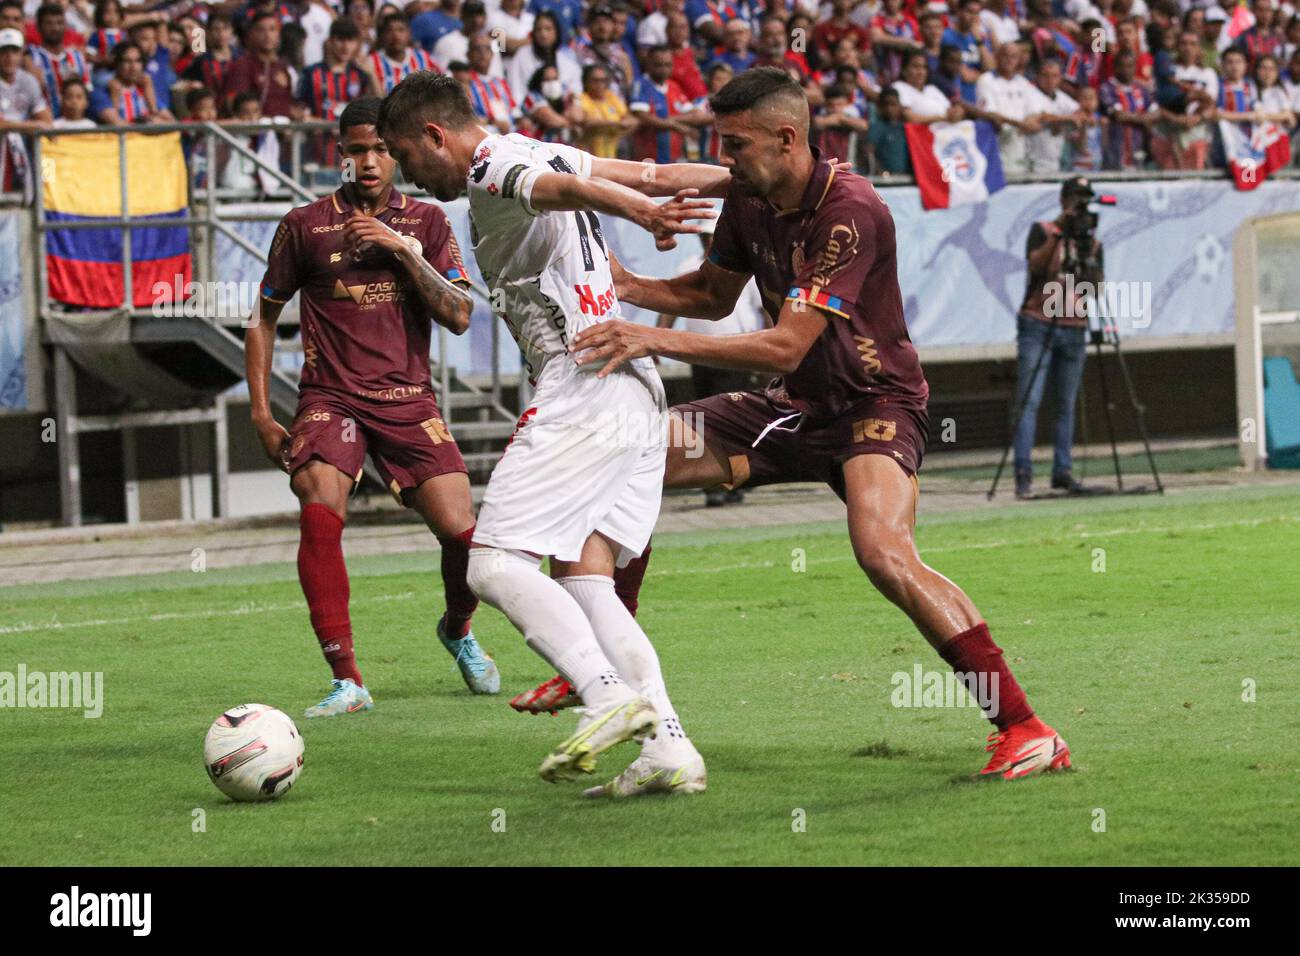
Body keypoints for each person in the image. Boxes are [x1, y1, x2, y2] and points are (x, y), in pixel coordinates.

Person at [520, 68, 1073, 783]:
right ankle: (595, 665)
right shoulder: (750, 194)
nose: (728, 159)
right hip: (788, 407)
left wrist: (649, 336)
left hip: (872, 406)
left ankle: (1025, 728)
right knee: (630, 454)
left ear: (787, 138)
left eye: (737, 144)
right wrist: (626, 285)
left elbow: (785, 343)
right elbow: (713, 297)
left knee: (884, 555)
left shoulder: (850, 211)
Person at [375, 70, 724, 795]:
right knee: (587, 579)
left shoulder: (486, 166)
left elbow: (580, 191)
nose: (405, 174)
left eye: (404, 156)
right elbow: (653, 172)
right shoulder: (533, 146)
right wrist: (758, 181)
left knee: (493, 561)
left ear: (434, 135)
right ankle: (669, 748)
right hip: (635, 390)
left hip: (583, 381)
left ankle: (603, 696)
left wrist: (641, 211)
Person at [246, 96, 497, 720]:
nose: (369, 162)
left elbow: (460, 316)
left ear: (397, 150)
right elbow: (263, 316)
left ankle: (458, 630)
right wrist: (260, 410)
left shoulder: (429, 222)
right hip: (330, 398)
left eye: (381, 149)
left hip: (408, 399)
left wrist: (402, 251)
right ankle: (348, 677)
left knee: (464, 537)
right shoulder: (304, 225)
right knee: (319, 505)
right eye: (357, 150)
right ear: (339, 153)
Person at [655, 220, 766, 507]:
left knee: (732, 422)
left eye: (712, 237)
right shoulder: (689, 268)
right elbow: (672, 305)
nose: (708, 242)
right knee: (701, 422)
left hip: (735, 355)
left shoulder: (744, 268)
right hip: (699, 356)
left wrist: (769, 349)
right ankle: (709, 481)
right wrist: (658, 339)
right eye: (705, 237)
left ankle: (732, 479)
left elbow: (763, 309)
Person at [1013, 176, 1102, 499]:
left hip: (1074, 325)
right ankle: (1023, 472)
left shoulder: (1090, 241)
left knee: (1066, 403)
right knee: (1029, 400)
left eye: (1085, 199)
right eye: (1076, 198)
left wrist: (1086, 255)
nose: (1081, 205)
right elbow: (1035, 267)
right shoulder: (1043, 229)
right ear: (1064, 200)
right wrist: (1060, 233)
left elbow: (1093, 288)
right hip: (1038, 321)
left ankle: (1062, 470)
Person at [0, 26, 53, 195]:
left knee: (49, 148)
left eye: (14, 51)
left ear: (21, 54)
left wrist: (17, 126)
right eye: (4, 52)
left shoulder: (28, 81)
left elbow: (47, 122)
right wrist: (31, 125)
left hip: (22, 147)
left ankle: (47, 196)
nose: (9, 57)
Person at [25, 2, 91, 117]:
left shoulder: (77, 56)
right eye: (49, 23)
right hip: (43, 124)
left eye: (59, 23)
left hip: (73, 124)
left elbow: (87, 91)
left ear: (65, 25)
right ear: (39, 27)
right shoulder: (31, 55)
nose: (55, 28)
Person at [367, 11, 441, 93]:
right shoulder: (372, 62)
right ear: (382, 35)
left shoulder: (423, 57)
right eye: (389, 30)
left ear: (409, 33)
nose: (396, 35)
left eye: (401, 30)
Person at [577, 62, 632, 157]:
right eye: (595, 80)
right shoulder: (581, 99)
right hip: (588, 158)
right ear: (586, 82)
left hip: (611, 156)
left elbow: (630, 119)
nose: (600, 84)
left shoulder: (611, 97)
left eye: (603, 80)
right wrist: (615, 124)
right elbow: (585, 122)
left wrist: (621, 129)